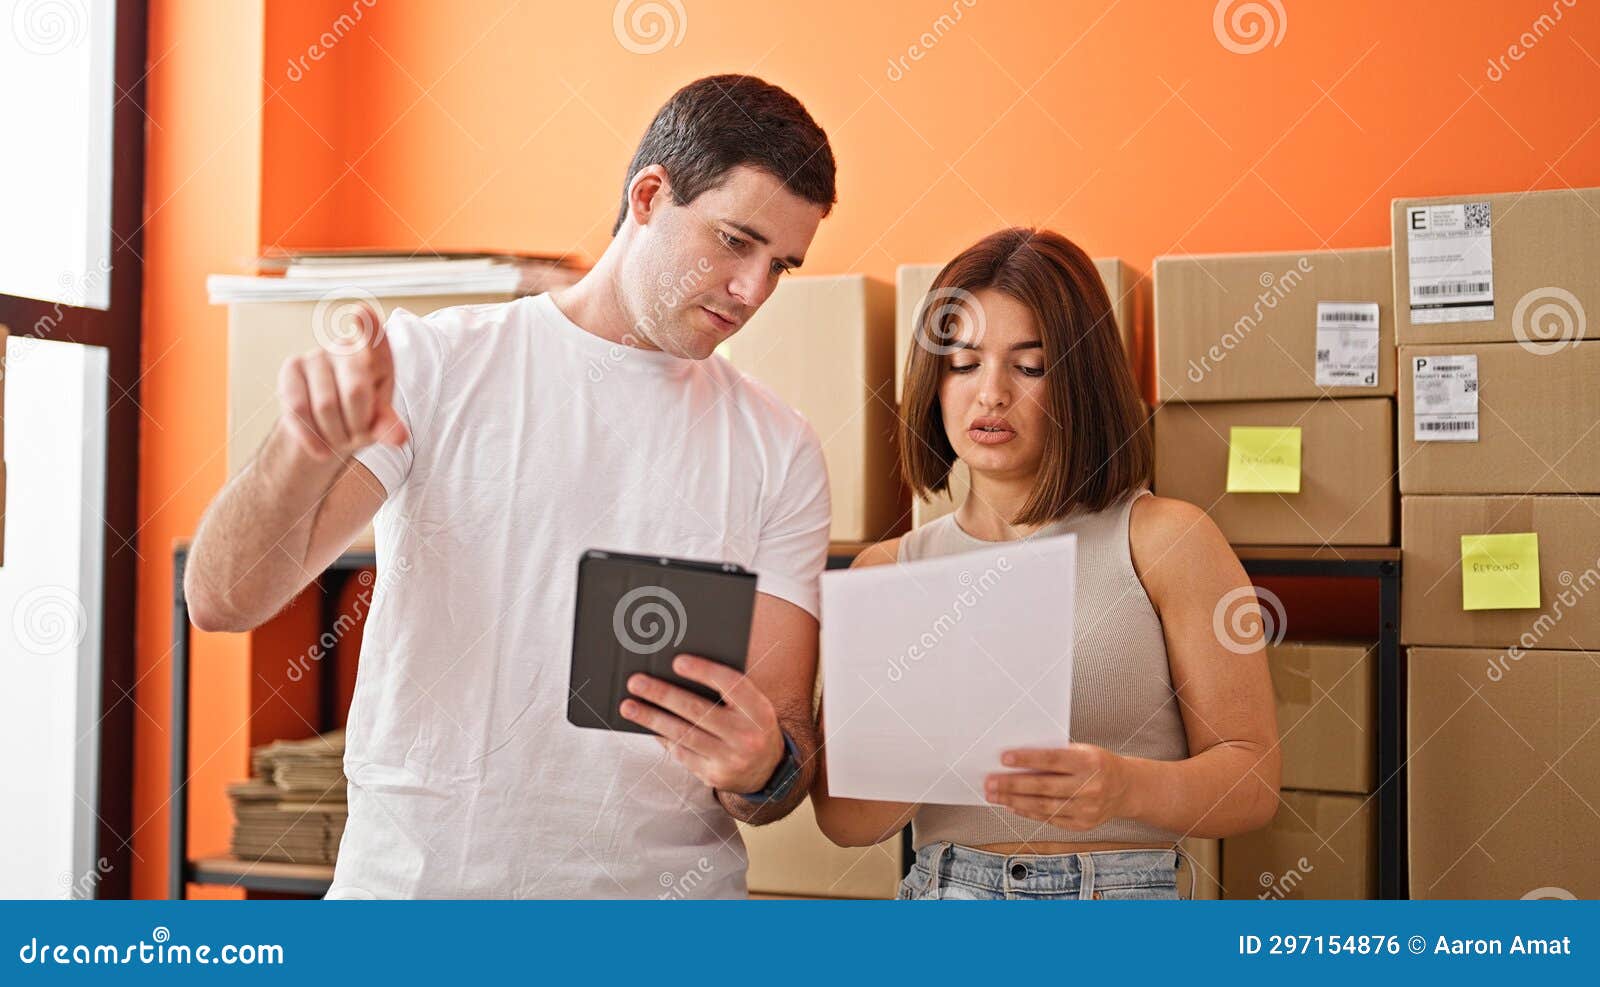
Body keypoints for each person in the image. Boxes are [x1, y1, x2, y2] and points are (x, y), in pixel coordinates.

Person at [184, 75, 839, 898]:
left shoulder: (779, 446)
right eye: (735, 242)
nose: (753, 292)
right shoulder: (436, 364)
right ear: (647, 196)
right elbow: (220, 599)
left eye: (780, 266)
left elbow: (782, 755)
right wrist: (299, 451)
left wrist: (761, 769)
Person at [810, 227, 1281, 900]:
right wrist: (935, 732)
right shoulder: (890, 573)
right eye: (964, 364)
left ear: (1080, 382)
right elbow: (845, 821)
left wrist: (1127, 786)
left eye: (1029, 366)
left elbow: (1253, 781)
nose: (991, 394)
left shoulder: (1167, 540)